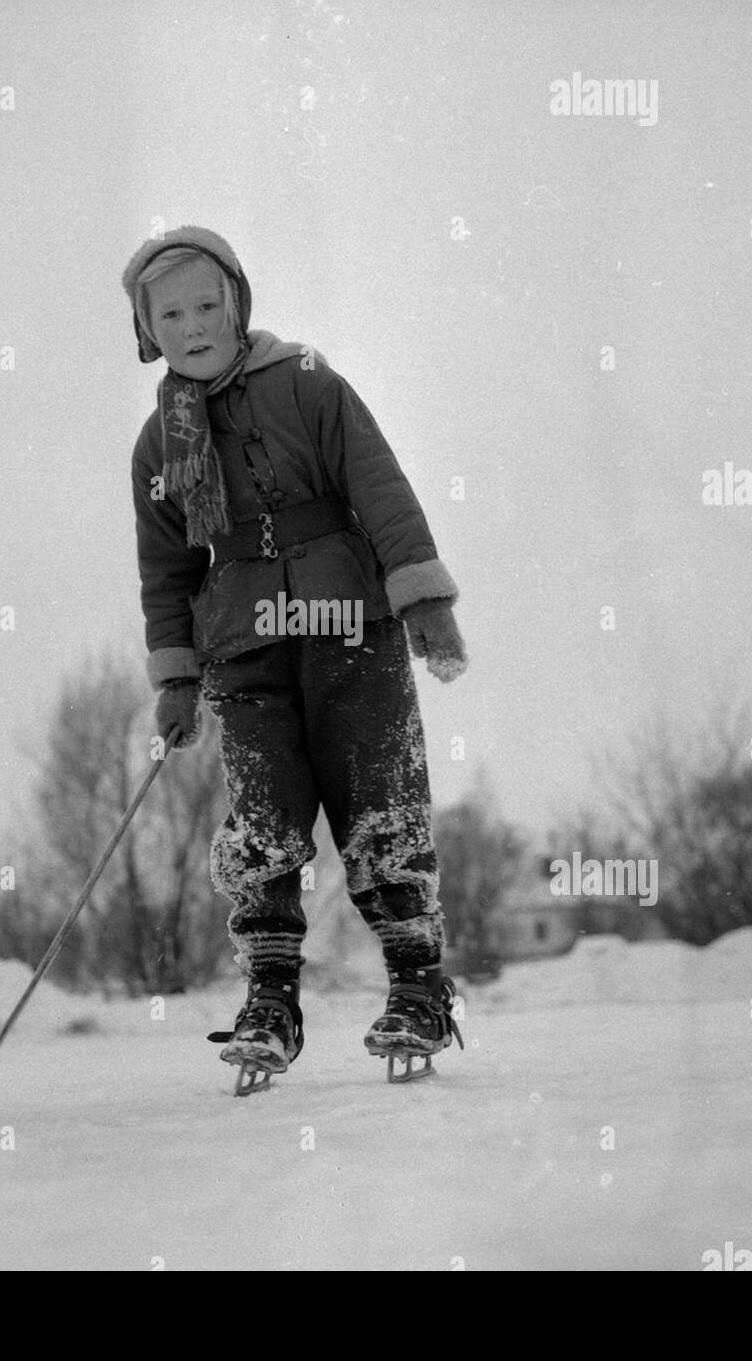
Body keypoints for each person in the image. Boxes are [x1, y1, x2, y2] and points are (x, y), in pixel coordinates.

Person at [122, 225, 468, 1087]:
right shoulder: (158, 449)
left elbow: (377, 484)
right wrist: (175, 681)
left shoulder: (308, 382)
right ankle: (271, 998)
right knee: (264, 827)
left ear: (238, 304)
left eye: (208, 304)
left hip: (348, 623)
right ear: (147, 332)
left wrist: (421, 599)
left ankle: (419, 985)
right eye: (172, 314)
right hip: (243, 648)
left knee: (379, 806)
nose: (194, 325)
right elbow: (166, 574)